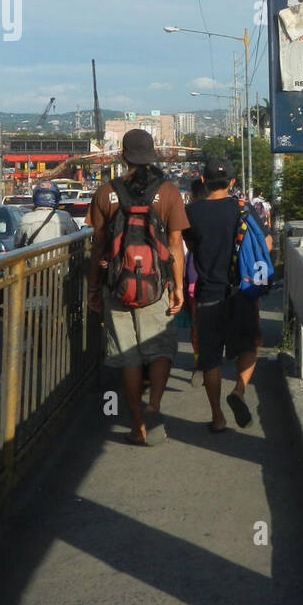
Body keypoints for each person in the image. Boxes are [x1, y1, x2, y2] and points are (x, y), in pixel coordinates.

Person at [86, 129, 188, 446]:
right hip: (156, 284)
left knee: (128, 357)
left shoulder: (106, 192)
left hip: (116, 286)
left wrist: (94, 288)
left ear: (123, 155)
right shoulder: (169, 192)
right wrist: (178, 287)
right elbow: (175, 244)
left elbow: (99, 246)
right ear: (152, 154)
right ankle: (154, 404)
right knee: (159, 349)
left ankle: (136, 424)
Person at [183, 159, 272, 433]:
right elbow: (266, 241)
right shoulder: (242, 208)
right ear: (232, 183)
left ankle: (218, 416)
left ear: (202, 181)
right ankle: (240, 391)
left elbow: (189, 247)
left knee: (210, 359)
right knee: (249, 344)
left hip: (209, 293)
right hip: (241, 292)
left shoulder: (191, 212)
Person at [16, 181, 79, 246]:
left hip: (34, 255)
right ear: (56, 198)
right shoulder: (64, 217)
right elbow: (74, 241)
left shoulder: (26, 218)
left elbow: (18, 244)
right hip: (60, 255)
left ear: (35, 198)